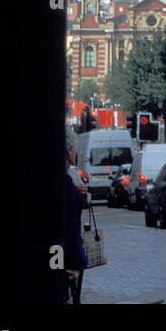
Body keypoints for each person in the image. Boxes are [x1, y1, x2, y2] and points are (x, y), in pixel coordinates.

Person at [63, 128, 89, 303]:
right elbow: (63, 227)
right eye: (73, 149)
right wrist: (65, 265)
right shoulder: (61, 182)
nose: (75, 153)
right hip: (64, 259)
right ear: (67, 152)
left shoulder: (65, 180)